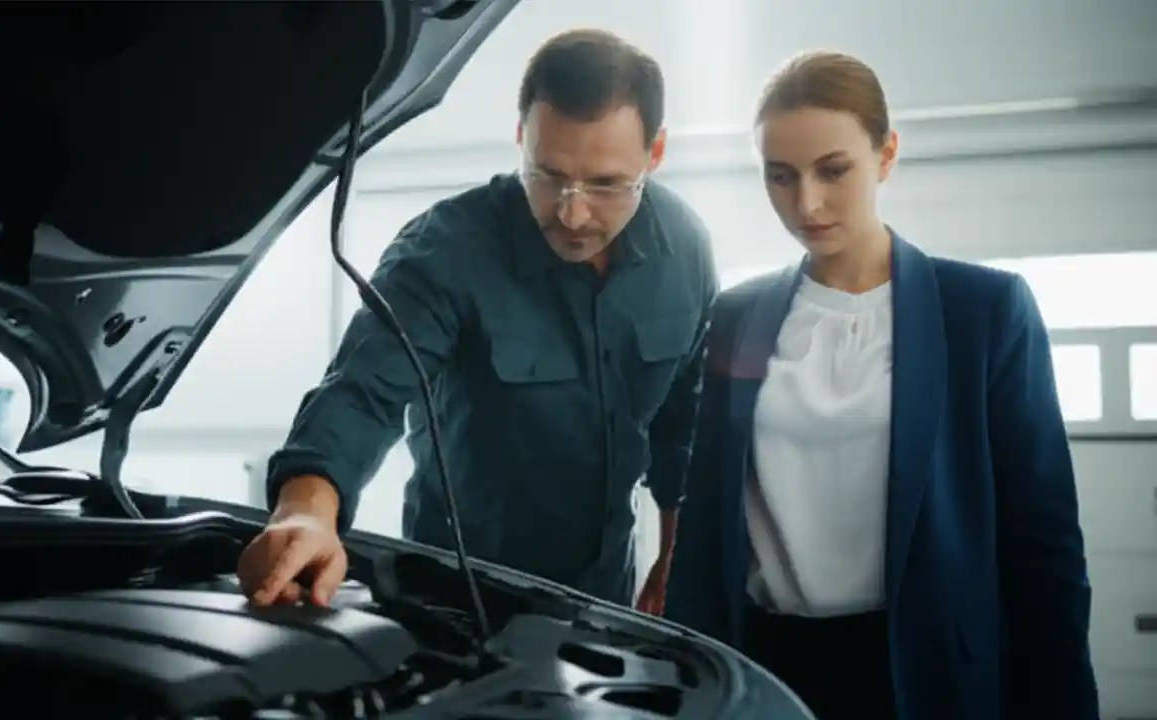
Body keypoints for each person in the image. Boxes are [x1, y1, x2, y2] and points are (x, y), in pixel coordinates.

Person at [663, 50, 1098, 720]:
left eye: (833, 170)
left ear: (886, 154)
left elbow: (1044, 547)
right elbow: (706, 526)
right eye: (780, 177)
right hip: (767, 664)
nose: (805, 202)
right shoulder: (736, 317)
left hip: (922, 671)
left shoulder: (982, 311)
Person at [237, 29, 718, 612]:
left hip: (603, 598)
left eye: (606, 184)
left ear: (655, 154)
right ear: (521, 138)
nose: (572, 211)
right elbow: (362, 395)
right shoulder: (444, 253)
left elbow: (682, 424)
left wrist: (672, 559)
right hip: (458, 598)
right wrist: (304, 513)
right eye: (547, 174)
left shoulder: (684, 249)